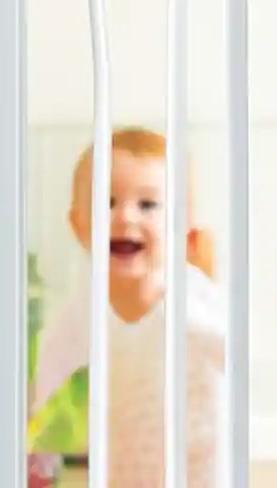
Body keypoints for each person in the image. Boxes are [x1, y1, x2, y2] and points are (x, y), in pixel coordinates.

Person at [29, 128, 224, 486]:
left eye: (148, 205)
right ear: (78, 225)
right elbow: (50, 384)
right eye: (107, 202)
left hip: (199, 466)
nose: (125, 218)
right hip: (123, 466)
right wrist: (41, 451)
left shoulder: (194, 299)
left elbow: (236, 354)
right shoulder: (82, 313)